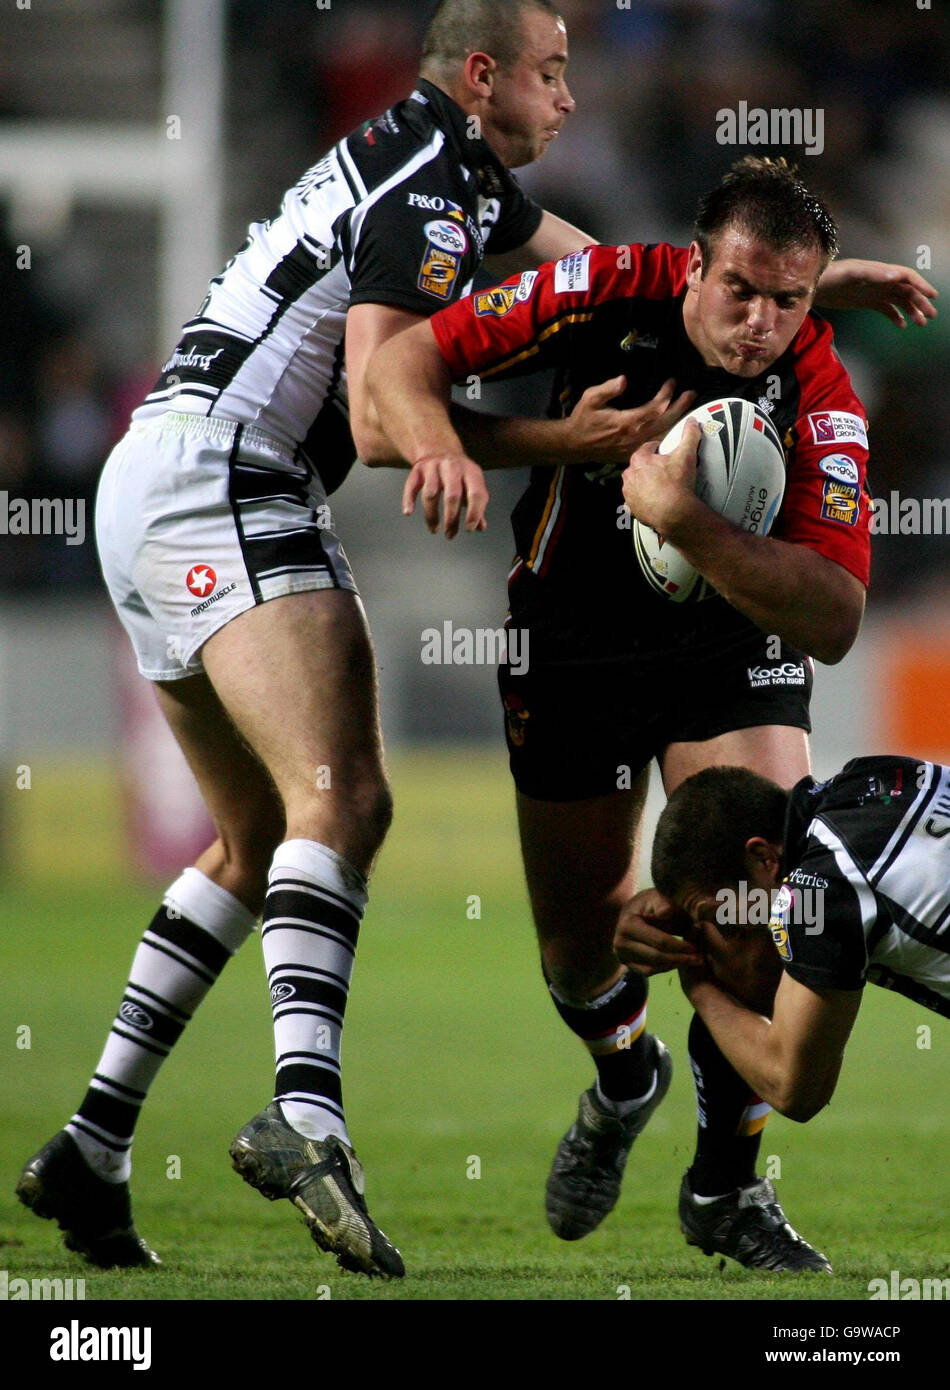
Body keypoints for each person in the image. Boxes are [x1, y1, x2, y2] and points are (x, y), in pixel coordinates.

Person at [15, 0, 933, 1279]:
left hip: (162, 476)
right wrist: (482, 443)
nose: (571, 100)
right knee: (393, 832)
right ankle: (596, 1081)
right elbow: (387, 400)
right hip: (260, 490)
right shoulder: (437, 192)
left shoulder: (505, 206)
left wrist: (794, 300)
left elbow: (826, 597)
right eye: (552, 74)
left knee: (271, 838)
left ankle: (110, 1136)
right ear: (484, 78)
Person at [365, 156, 934, 1272]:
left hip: (732, 652)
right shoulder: (599, 290)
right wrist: (449, 444)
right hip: (569, 650)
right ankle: (625, 1076)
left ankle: (724, 1188)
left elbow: (830, 617)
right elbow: (400, 365)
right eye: (739, 290)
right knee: (583, 948)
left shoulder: (820, 385)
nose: (762, 323)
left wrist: (684, 520)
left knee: (752, 918)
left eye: (789, 299)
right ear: (691, 263)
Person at [619, 757, 949, 1134]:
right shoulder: (874, 776)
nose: (722, 932)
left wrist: (700, 982)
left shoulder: (817, 895)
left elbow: (794, 1091)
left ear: (762, 857)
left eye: (718, 913)